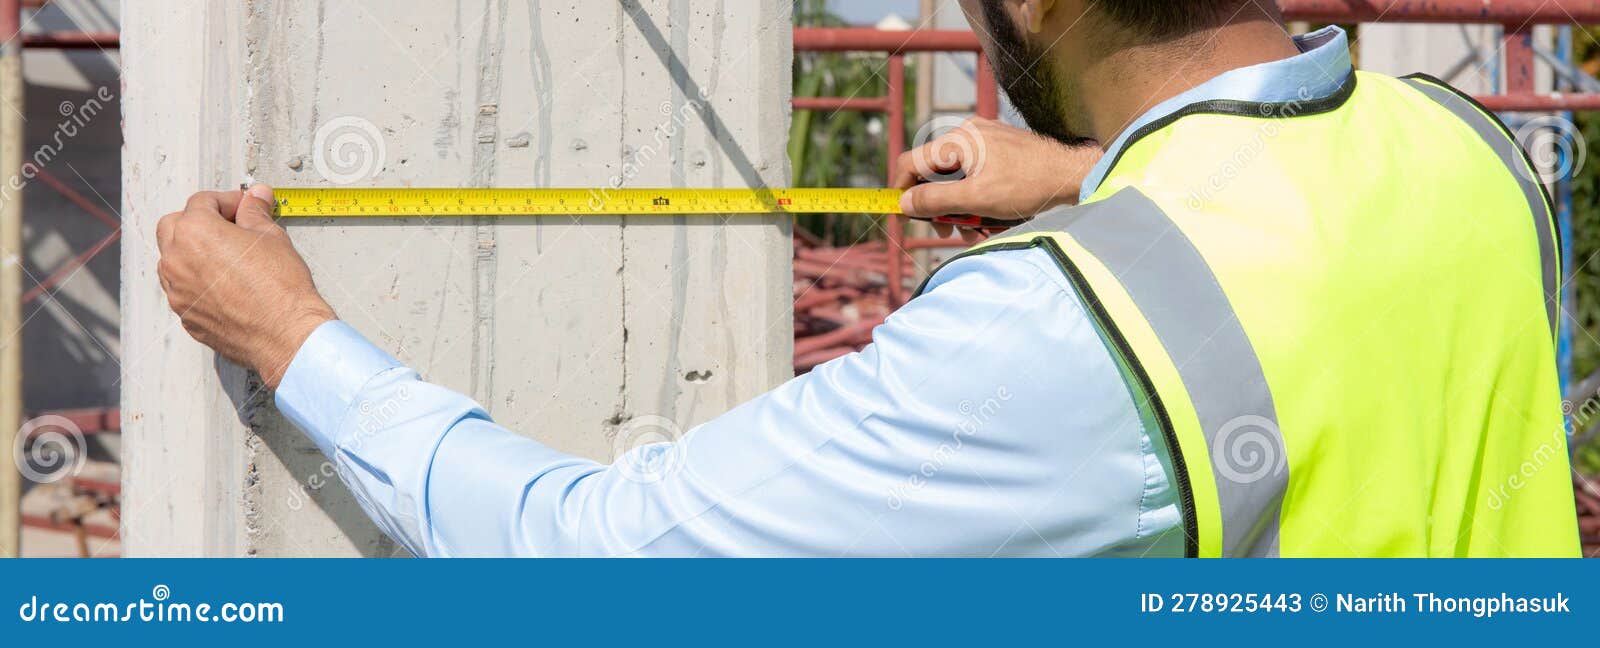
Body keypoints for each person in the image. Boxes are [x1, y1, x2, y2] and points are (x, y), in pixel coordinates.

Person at [155, 0, 1580, 556]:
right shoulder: (1470, 149)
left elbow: (591, 558)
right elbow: (1301, 218)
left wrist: (295, 339)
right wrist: (1100, 170)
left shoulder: (1052, 332)